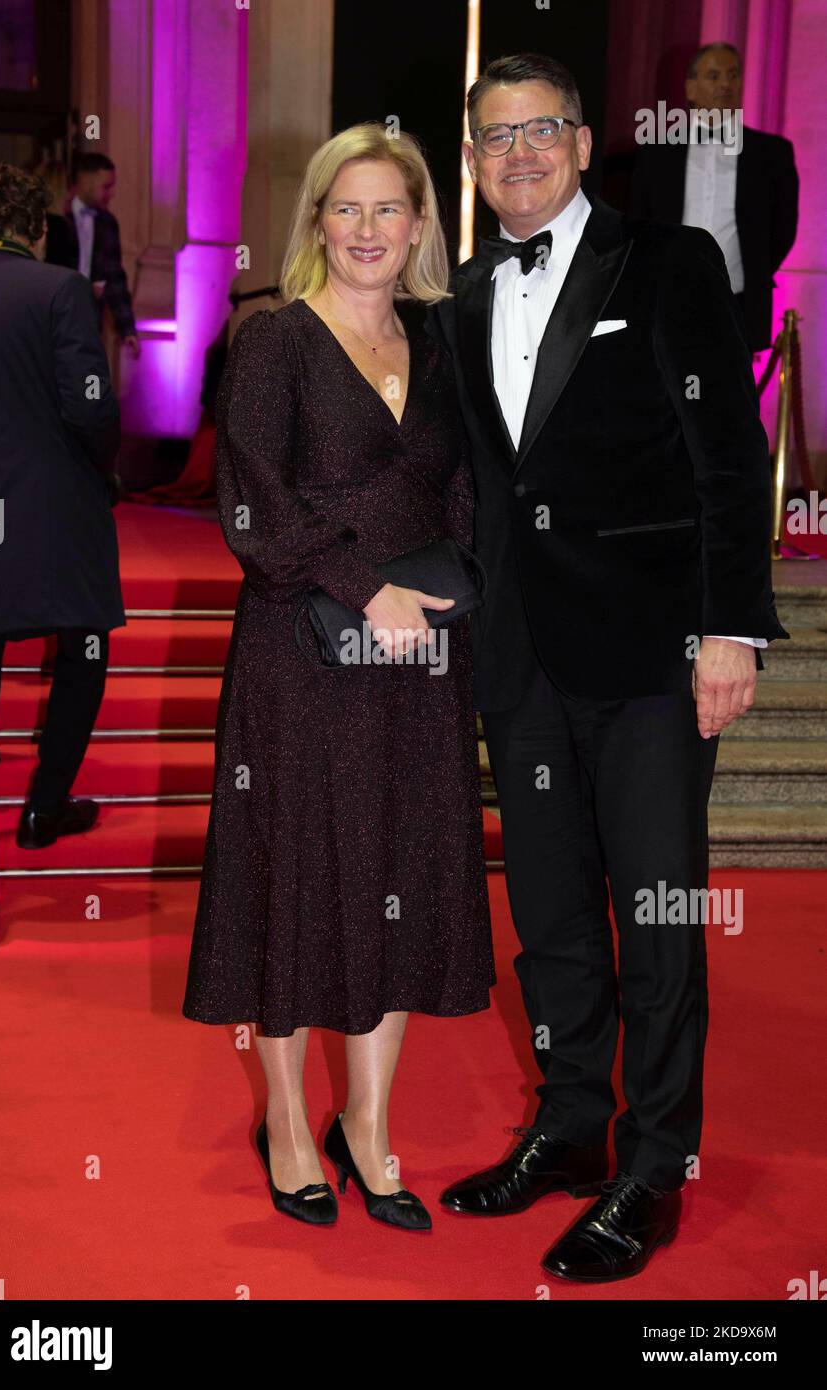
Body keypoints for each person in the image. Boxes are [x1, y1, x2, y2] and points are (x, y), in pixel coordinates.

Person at [426, 53, 788, 1281]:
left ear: (583, 145)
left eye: (538, 130)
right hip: (521, 655)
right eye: (492, 137)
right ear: (470, 163)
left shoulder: (672, 263)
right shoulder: (465, 295)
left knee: (656, 917)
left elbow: (727, 461)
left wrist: (730, 628)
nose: (515, 152)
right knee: (551, 919)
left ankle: (652, 1164)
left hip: (648, 655)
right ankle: (573, 1124)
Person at [182, 123, 495, 1230]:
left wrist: (449, 587)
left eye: (388, 209)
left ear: (418, 223)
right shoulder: (274, 341)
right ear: (316, 221)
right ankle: (283, 1118)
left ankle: (365, 1124)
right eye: (345, 208)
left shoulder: (438, 338)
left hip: (418, 660)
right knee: (301, 879)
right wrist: (372, 591)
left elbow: (461, 484)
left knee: (398, 873)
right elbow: (252, 508)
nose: (366, 230)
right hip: (301, 656)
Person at [0, 165, 125, 954]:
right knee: (86, 646)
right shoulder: (58, 290)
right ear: (34, 225)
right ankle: (43, 806)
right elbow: (88, 408)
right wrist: (107, 465)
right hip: (53, 526)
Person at [629, 42, 799, 354]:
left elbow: (783, 231)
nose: (725, 84)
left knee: (731, 400)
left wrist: (751, 273)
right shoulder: (656, 154)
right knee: (666, 397)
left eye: (733, 75)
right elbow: (639, 225)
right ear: (691, 88)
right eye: (713, 75)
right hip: (668, 302)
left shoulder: (772, 154)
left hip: (738, 305)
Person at [56, 151, 141, 359]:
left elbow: (115, 277)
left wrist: (127, 329)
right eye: (106, 186)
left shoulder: (108, 223)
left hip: (89, 320)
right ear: (85, 180)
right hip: (57, 314)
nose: (110, 193)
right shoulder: (58, 217)